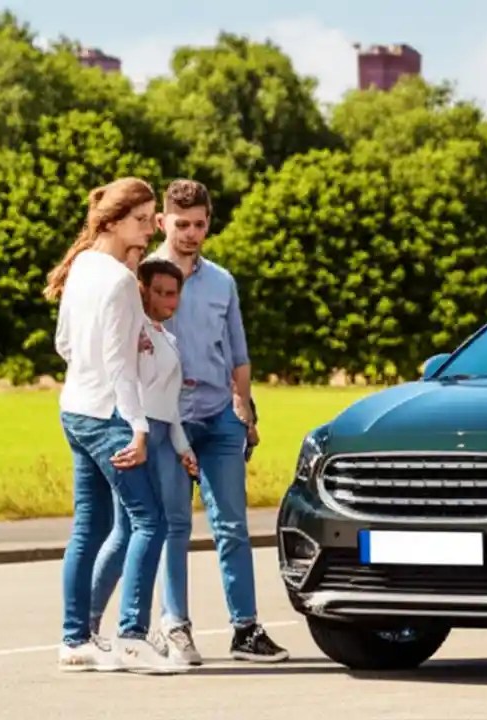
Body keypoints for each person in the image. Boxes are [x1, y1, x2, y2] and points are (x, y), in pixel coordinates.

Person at [149, 178, 288, 662]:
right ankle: (176, 627)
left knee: (232, 526)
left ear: (209, 222)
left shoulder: (221, 281)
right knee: (173, 526)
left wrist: (245, 409)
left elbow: (239, 354)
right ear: (163, 222)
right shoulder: (144, 277)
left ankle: (245, 629)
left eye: (200, 224)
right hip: (168, 422)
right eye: (181, 224)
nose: (191, 233)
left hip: (219, 418)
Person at [45, 177, 175, 673]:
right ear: (114, 221)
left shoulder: (81, 266)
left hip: (74, 408)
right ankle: (131, 637)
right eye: (142, 221)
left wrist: (91, 369)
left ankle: (75, 640)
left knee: (90, 527)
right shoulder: (120, 280)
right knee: (150, 520)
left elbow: (65, 343)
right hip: (106, 415)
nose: (150, 229)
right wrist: (139, 429)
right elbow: (121, 366)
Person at [88, 258, 203, 666]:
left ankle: (96, 626)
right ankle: (94, 626)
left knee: (133, 529)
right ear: (143, 290)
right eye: (160, 292)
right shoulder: (133, 330)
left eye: (174, 293)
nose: (169, 300)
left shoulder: (166, 338)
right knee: (132, 529)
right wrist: (135, 431)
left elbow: (170, 407)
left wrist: (184, 449)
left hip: (161, 435)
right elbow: (123, 380)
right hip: (133, 431)